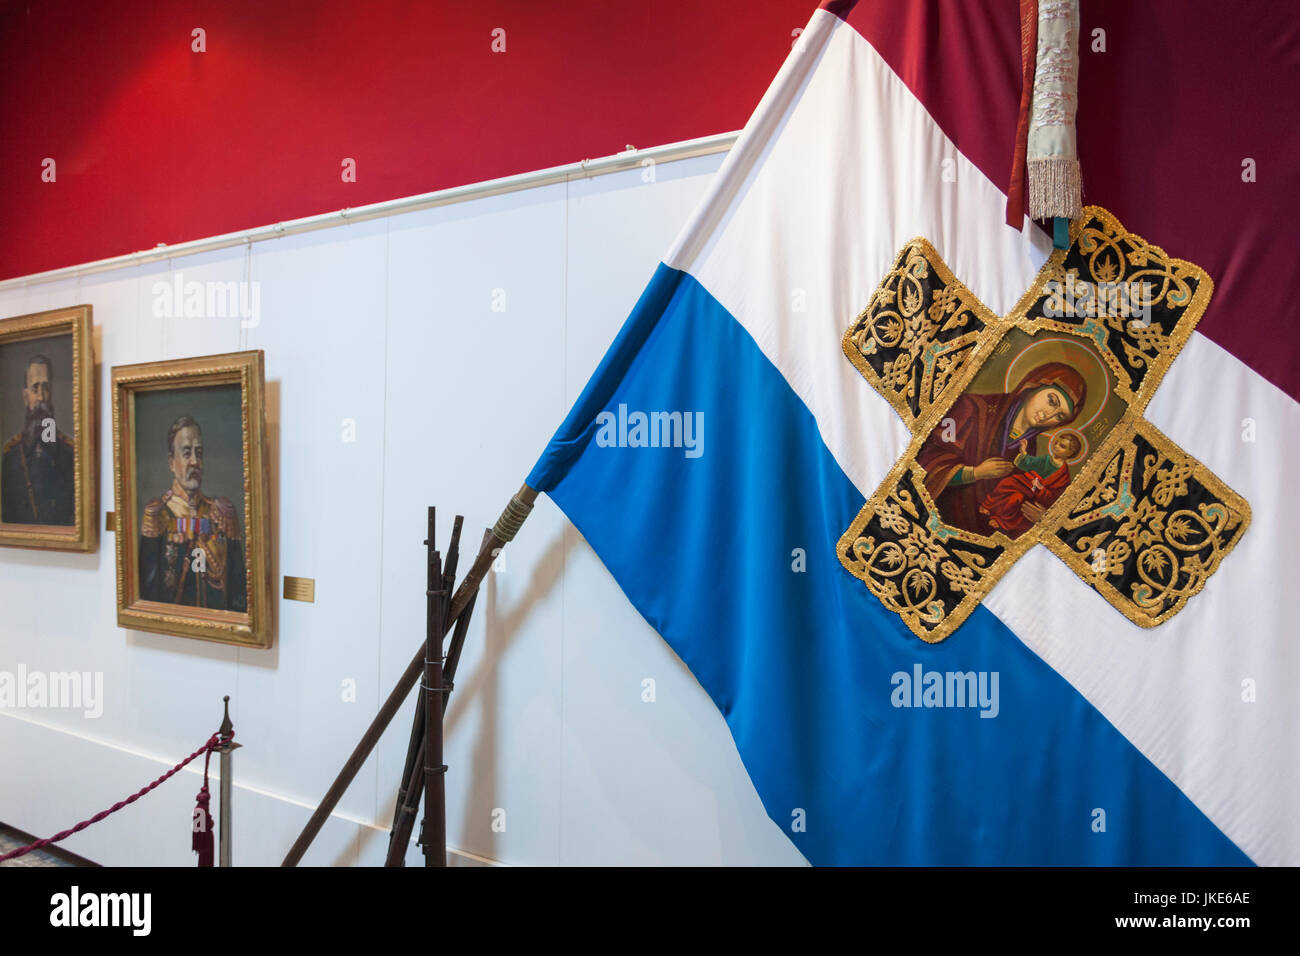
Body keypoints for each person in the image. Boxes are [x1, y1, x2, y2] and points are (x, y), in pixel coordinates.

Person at [916, 361, 1086, 536]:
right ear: (1035, 385)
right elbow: (927, 459)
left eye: (1059, 416)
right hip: (933, 522)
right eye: (1051, 401)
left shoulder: (1029, 450)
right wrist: (975, 472)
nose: (1048, 415)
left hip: (977, 537)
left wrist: (1040, 518)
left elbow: (1013, 499)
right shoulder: (974, 407)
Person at [139, 415, 246, 611]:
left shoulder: (222, 513)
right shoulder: (158, 515)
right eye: (187, 453)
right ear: (172, 462)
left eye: (199, 453)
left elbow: (238, 591)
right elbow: (148, 594)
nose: (195, 461)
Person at [1, 354, 75, 525]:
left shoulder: (70, 453)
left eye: (46, 387)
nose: (41, 397)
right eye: (35, 388)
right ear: (25, 395)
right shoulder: (10, 455)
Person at [978, 432, 1083, 537]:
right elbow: (1030, 462)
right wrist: (1023, 452)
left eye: (1062, 446)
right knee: (1006, 482)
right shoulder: (1046, 459)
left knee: (1017, 499)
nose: (1056, 446)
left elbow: (1056, 497)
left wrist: (1041, 489)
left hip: (1035, 494)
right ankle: (988, 505)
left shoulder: (1063, 475)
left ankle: (1000, 520)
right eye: (1056, 443)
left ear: (1070, 453)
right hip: (1025, 481)